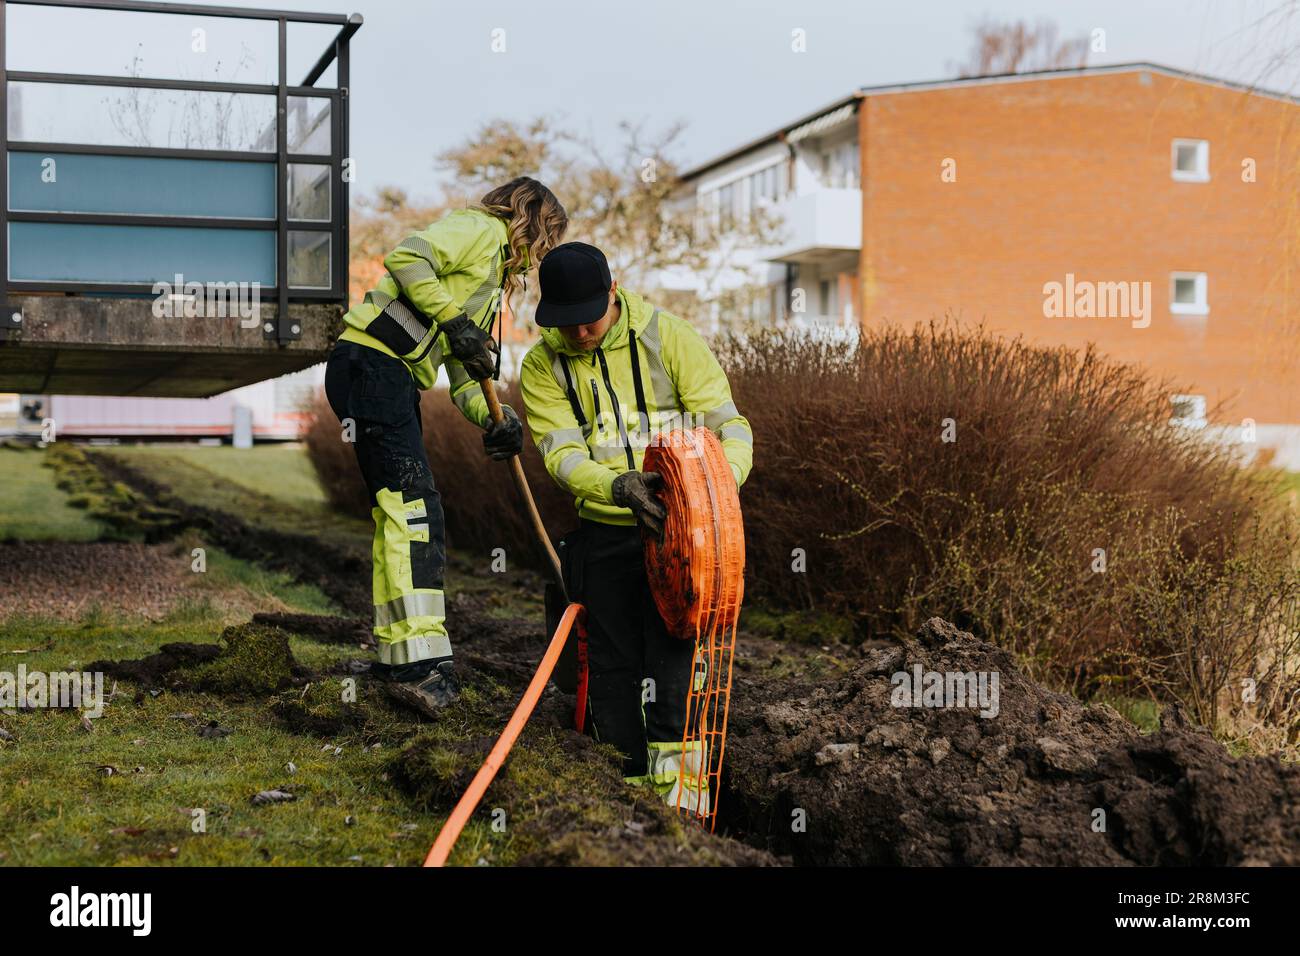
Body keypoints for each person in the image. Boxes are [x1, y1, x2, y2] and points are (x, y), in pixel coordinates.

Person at [519, 241, 753, 813]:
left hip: (684, 535)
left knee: (676, 666)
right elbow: (562, 455)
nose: (577, 334)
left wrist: (708, 499)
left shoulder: (670, 338)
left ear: (615, 293)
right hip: (603, 535)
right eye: (564, 323)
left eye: (588, 319)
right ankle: (623, 808)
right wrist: (615, 485)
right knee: (611, 670)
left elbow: (730, 429)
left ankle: (683, 812)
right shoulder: (541, 365)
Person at [324, 177, 568, 715]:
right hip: (369, 364)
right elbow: (407, 258)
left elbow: (463, 380)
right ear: (530, 219)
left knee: (400, 510)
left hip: (389, 377)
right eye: (547, 239)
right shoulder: (480, 231)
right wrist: (455, 322)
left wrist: (496, 420)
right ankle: (422, 664)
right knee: (415, 510)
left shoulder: (488, 290)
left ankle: (398, 654)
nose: (540, 258)